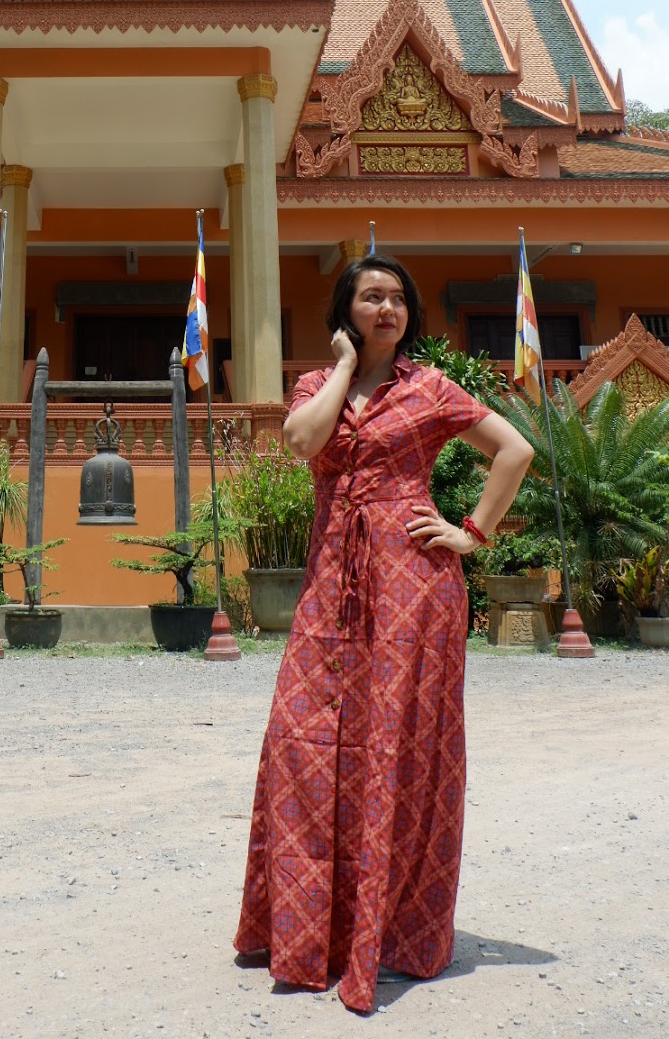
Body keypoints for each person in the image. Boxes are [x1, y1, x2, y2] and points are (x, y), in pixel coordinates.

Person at [234, 255, 533, 1013]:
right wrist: (342, 366)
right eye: (370, 297)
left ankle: (392, 932)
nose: (386, 309)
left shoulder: (431, 387)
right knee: (302, 742)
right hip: (330, 582)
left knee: (398, 746)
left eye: (397, 299)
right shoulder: (314, 385)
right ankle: (311, 933)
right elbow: (303, 442)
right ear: (346, 309)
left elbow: (515, 450)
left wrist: (470, 533)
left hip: (411, 584)